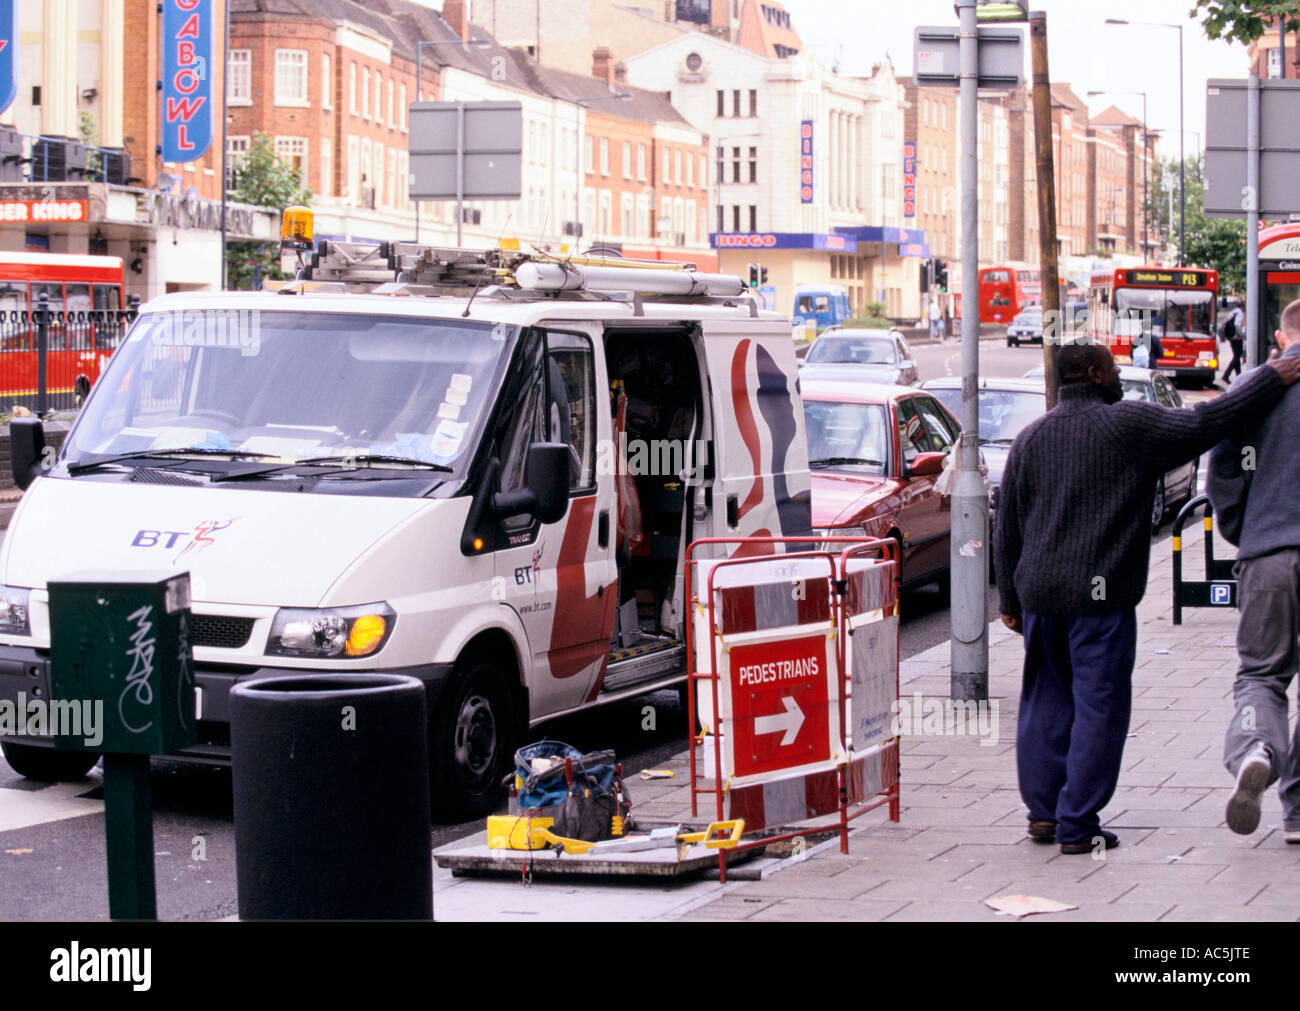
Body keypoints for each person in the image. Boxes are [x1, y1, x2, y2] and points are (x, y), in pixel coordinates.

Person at [993, 337, 1300, 854]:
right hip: (1101, 598)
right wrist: (1271, 377)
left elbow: (1007, 526)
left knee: (1043, 703)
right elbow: (1205, 425)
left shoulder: (1030, 437)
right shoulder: (1126, 424)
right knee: (1099, 706)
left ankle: (1043, 815)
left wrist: (1008, 599)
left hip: (1041, 597)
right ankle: (1078, 823)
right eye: (1112, 367)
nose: (1119, 375)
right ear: (1092, 373)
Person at [1208, 297, 1300, 841]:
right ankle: (1299, 814)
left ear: (1283, 337)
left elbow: (1224, 466)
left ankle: (1256, 748)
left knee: (1262, 675)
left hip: (1269, 555)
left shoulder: (1261, 387)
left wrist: (1246, 529)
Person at [1221, 300, 1246, 384]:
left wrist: (1227, 335)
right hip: (1236, 338)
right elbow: (1237, 325)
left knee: (1237, 356)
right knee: (1237, 356)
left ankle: (1239, 377)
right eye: (1244, 307)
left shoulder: (1232, 313)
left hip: (1231, 337)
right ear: (1242, 307)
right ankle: (1226, 375)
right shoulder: (1240, 314)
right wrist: (1242, 335)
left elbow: (1223, 323)